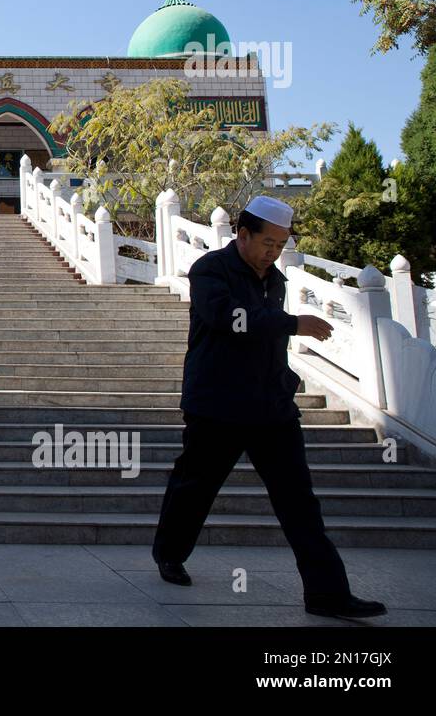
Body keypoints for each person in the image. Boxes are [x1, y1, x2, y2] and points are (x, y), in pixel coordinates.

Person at [151, 195, 387, 618]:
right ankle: (169, 553)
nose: (273, 252)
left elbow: (269, 341)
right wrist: (294, 324)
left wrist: (285, 381)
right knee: (196, 487)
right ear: (242, 235)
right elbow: (231, 320)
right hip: (217, 405)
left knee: (299, 501)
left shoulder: (274, 280)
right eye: (268, 243)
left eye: (281, 245)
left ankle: (327, 594)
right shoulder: (209, 271)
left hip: (271, 409)